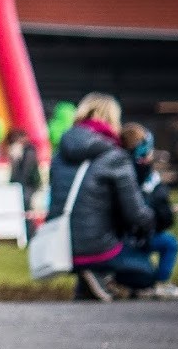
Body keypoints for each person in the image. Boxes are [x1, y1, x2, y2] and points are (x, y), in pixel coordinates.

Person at [46, 93, 155, 302]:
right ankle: (100, 272)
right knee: (147, 271)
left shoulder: (60, 153)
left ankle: (89, 278)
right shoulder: (115, 156)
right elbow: (135, 213)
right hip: (99, 246)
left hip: (62, 245)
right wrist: (154, 221)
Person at [119, 123, 178, 299]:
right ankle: (159, 284)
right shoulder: (141, 179)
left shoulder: (123, 171)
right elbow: (145, 213)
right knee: (169, 244)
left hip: (130, 236)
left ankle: (144, 282)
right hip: (136, 237)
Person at [3, 127, 42, 220]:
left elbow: (24, 173)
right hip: (24, 187)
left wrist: (15, 160)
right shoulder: (25, 151)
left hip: (29, 187)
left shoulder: (29, 151)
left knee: (25, 210)